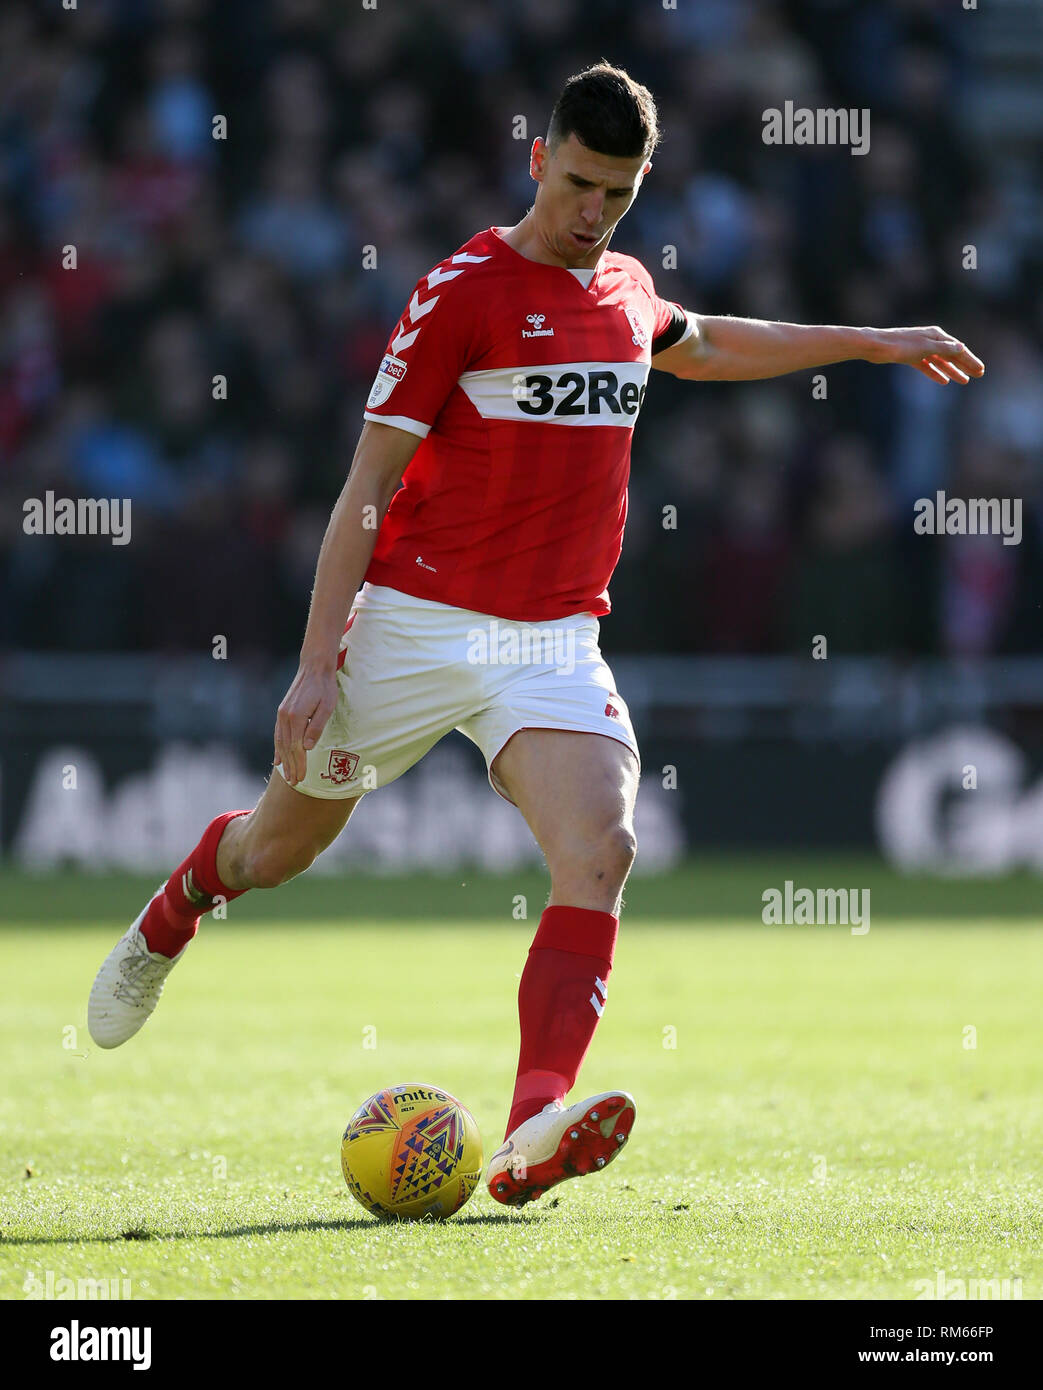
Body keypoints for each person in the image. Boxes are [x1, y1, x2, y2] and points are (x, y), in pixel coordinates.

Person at [88, 62, 984, 1207]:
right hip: (413, 621)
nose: (589, 212)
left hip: (550, 637)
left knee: (601, 847)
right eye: (574, 183)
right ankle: (173, 914)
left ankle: (526, 1128)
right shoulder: (460, 289)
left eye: (615, 192)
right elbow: (364, 485)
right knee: (275, 851)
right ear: (535, 159)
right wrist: (318, 662)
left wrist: (867, 341)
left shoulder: (621, 291)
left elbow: (701, 342)